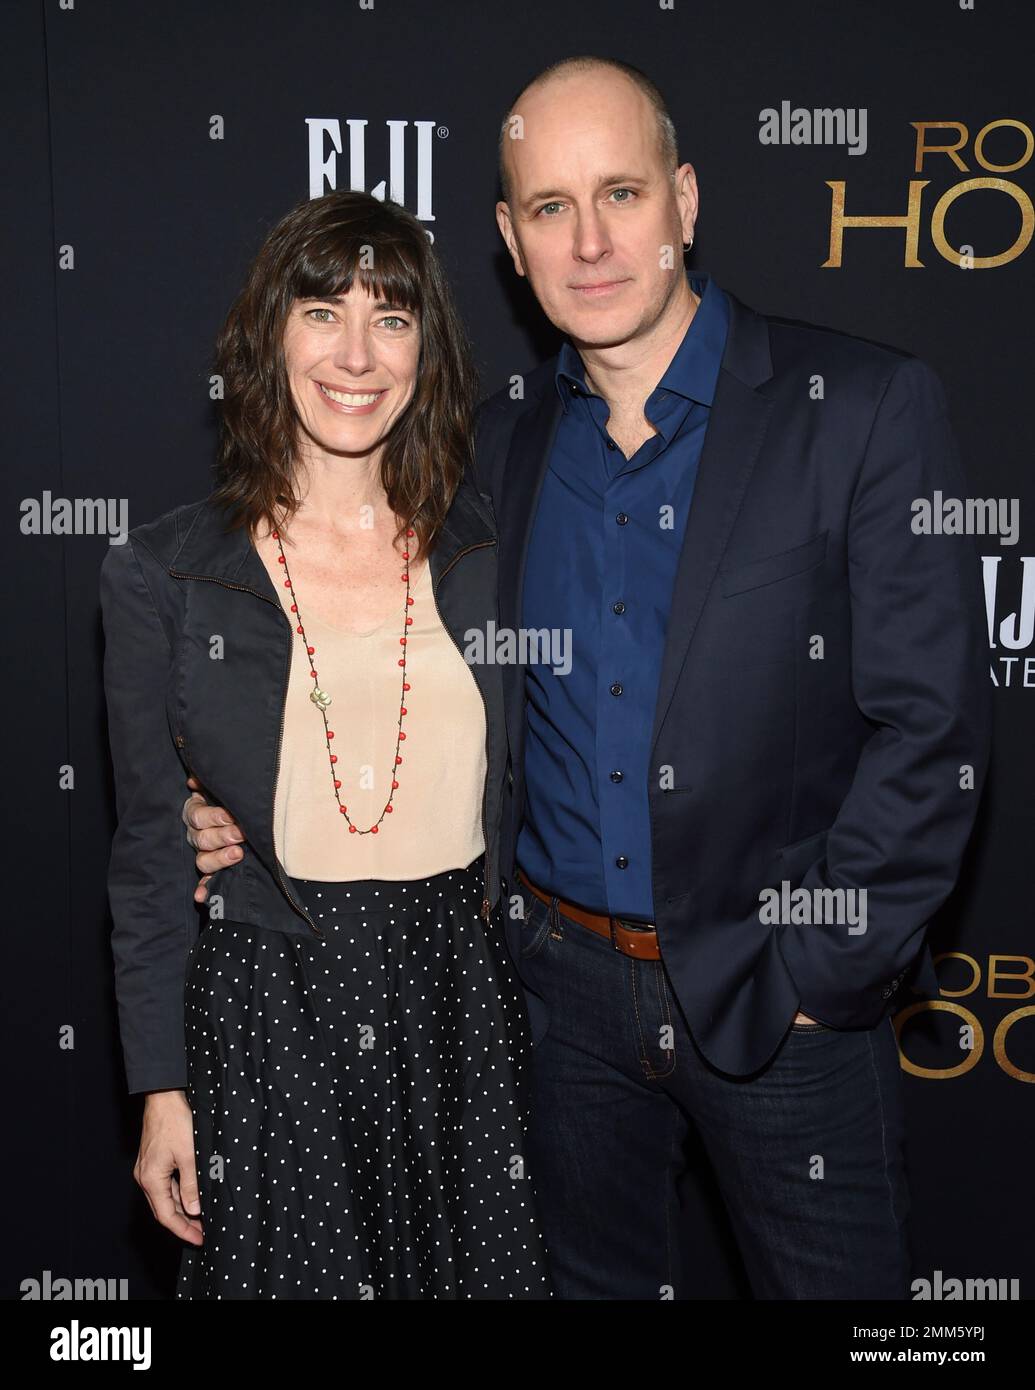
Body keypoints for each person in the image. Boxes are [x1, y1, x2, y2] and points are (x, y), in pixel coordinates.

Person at [186, 56, 991, 1300]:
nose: (592, 240)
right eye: (551, 208)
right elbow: (355, 623)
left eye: (620, 192)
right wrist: (232, 786)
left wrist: (821, 980)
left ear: (686, 199)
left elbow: (932, 730)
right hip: (554, 1008)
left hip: (777, 1008)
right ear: (510, 241)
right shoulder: (497, 447)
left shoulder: (861, 409)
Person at [100, 188, 551, 1299]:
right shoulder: (163, 572)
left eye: (391, 318)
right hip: (267, 1007)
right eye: (322, 310)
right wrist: (161, 1089)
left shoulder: (495, 544)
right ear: (269, 334)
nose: (357, 352)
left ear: (426, 349)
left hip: (459, 995)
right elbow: (153, 855)